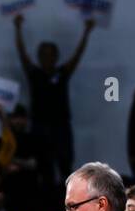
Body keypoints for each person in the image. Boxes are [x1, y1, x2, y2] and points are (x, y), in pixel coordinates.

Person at [14, 14, 95, 185]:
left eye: (50, 55)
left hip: (61, 127)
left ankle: (67, 206)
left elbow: (77, 55)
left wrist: (86, 32)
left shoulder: (62, 73)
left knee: (65, 167)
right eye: (43, 55)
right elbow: (22, 54)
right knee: (42, 168)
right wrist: (18, 29)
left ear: (56, 57)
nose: (47, 58)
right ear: (38, 57)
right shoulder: (34, 74)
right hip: (39, 126)